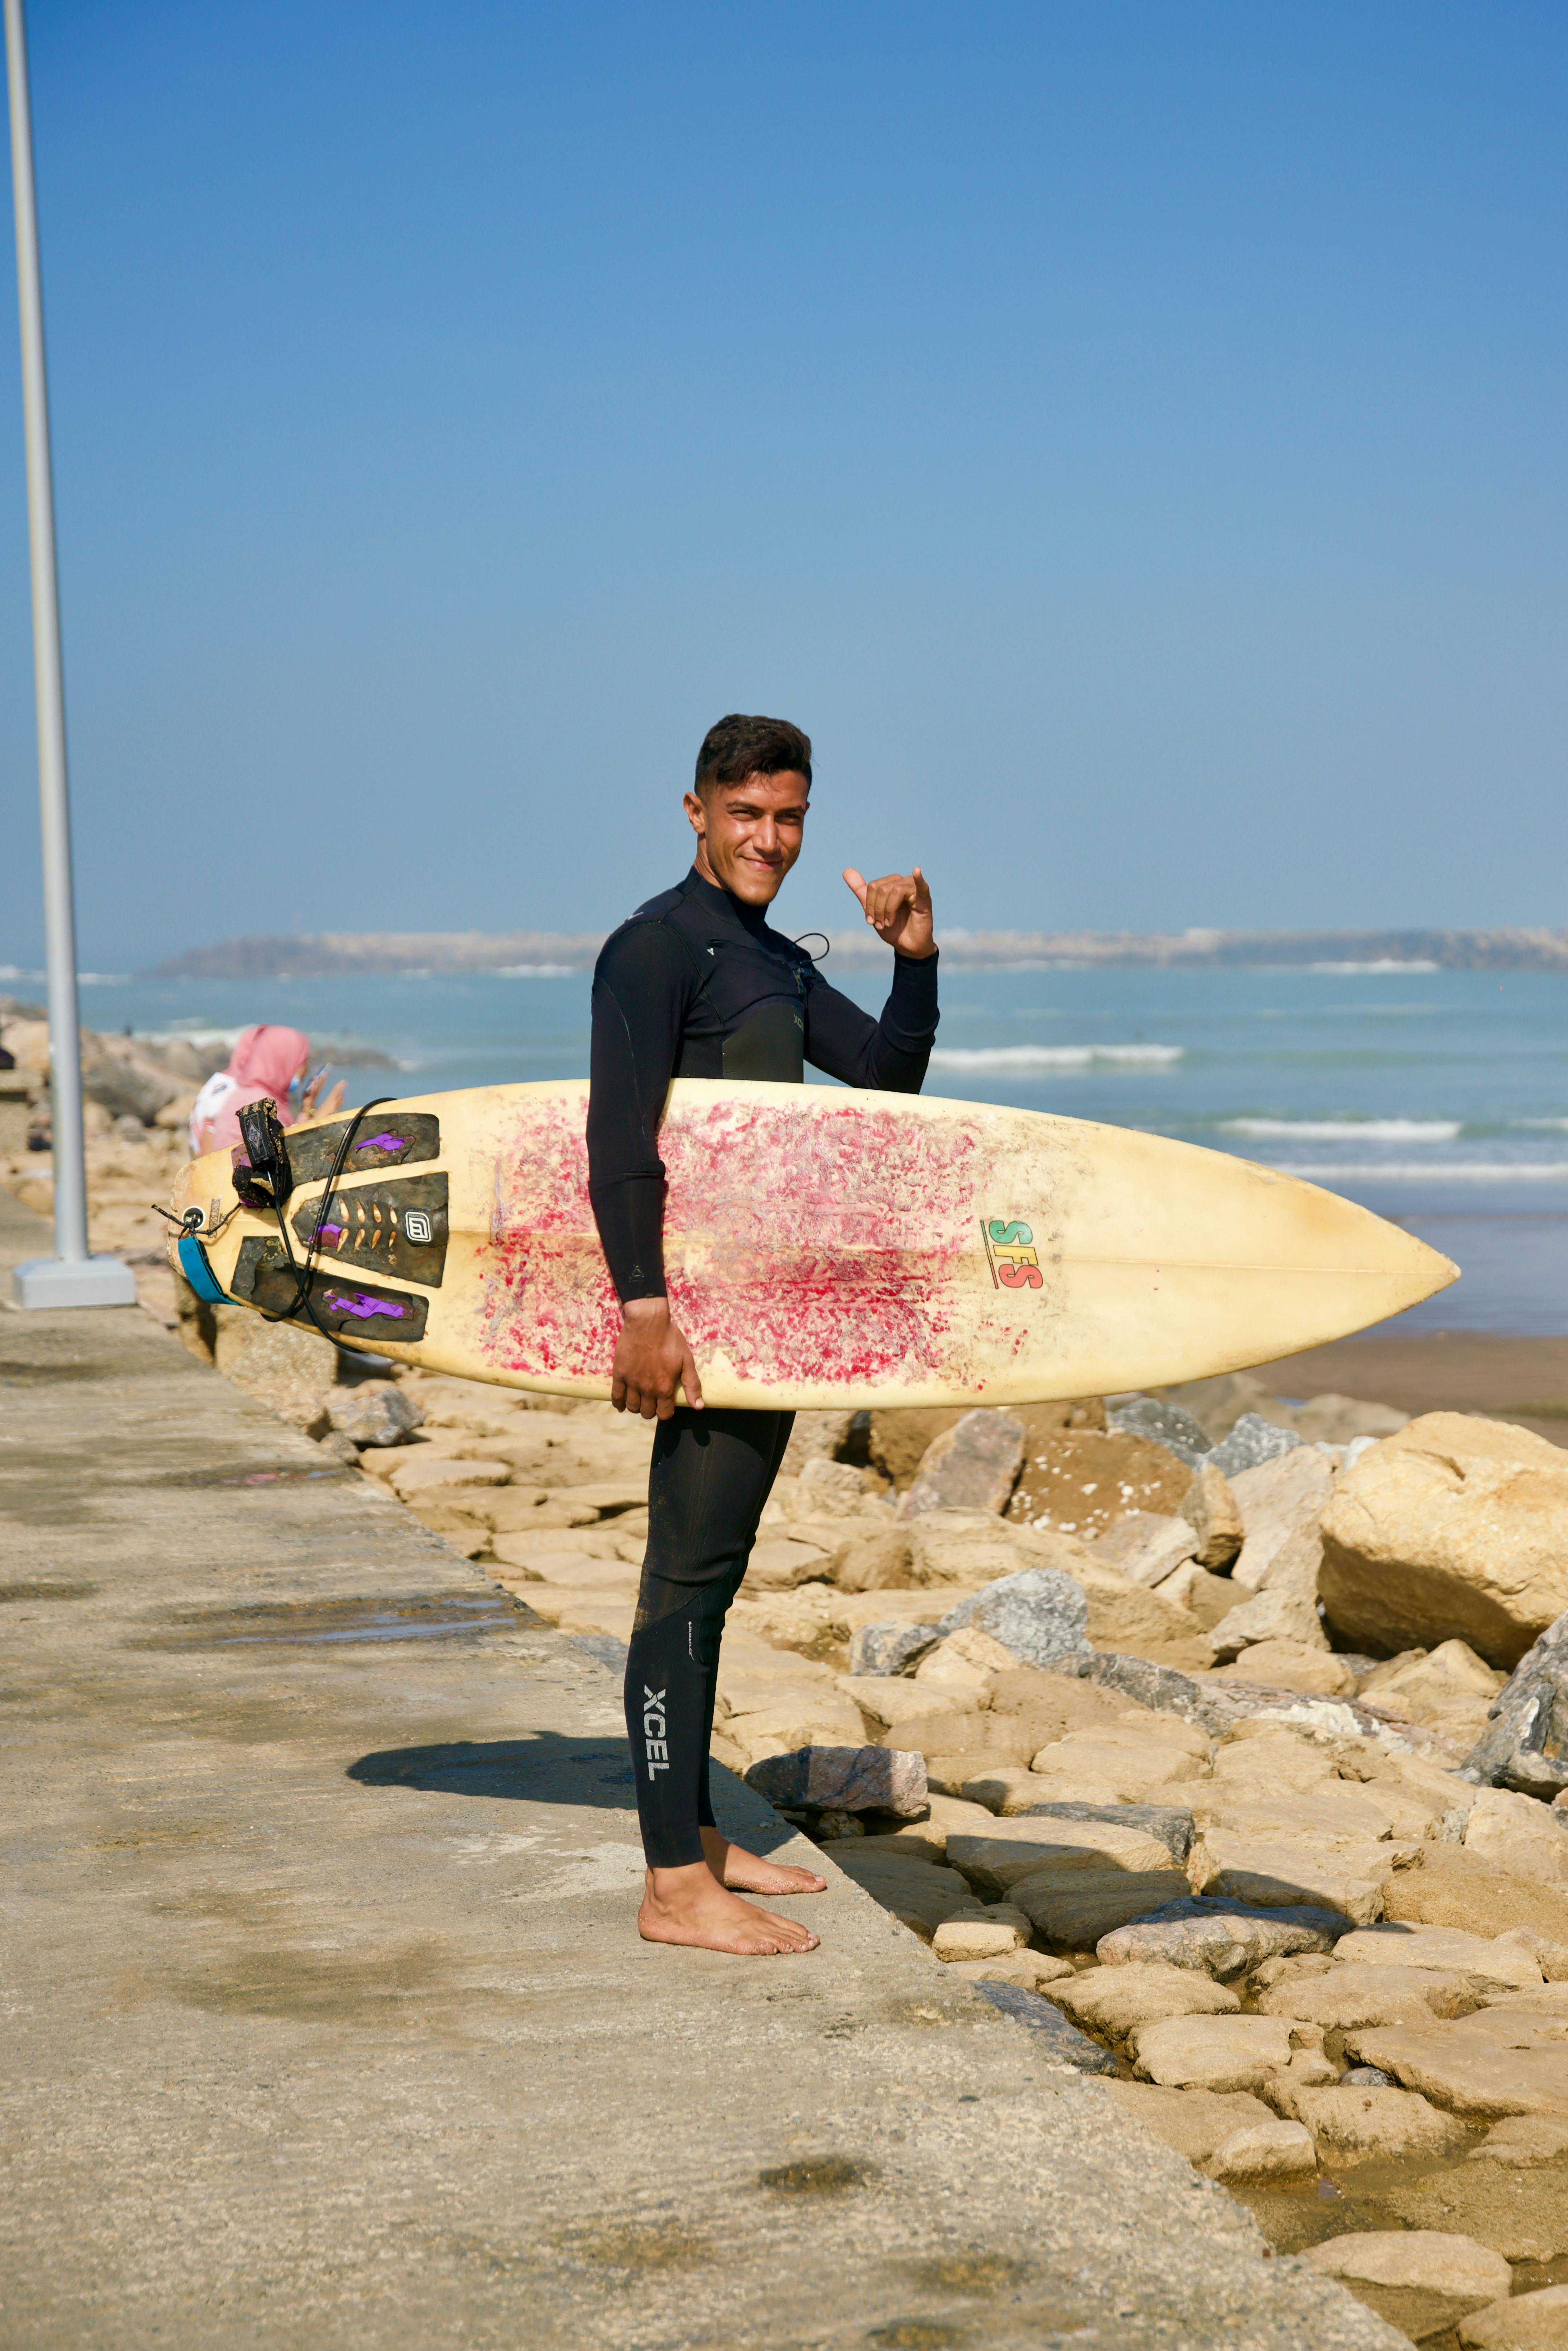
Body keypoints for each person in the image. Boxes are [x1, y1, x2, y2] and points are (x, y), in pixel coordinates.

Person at [586, 714, 939, 1956]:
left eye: (787, 816)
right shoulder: (653, 949)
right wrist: (643, 1307)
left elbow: (884, 1085)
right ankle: (671, 1885)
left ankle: (693, 1837)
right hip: (694, 1323)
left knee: (716, 1578)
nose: (768, 838)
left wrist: (913, 959)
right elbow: (618, 1137)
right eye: (744, 815)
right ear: (695, 812)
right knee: (679, 1587)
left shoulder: (771, 958)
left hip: (769, 1322)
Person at [188, 1025, 345, 1156]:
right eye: (301, 1061)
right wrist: (322, 1116)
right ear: (283, 1061)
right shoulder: (261, 1104)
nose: (305, 1070)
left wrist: (307, 1108)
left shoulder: (248, 1094)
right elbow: (286, 1158)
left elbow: (282, 1144)